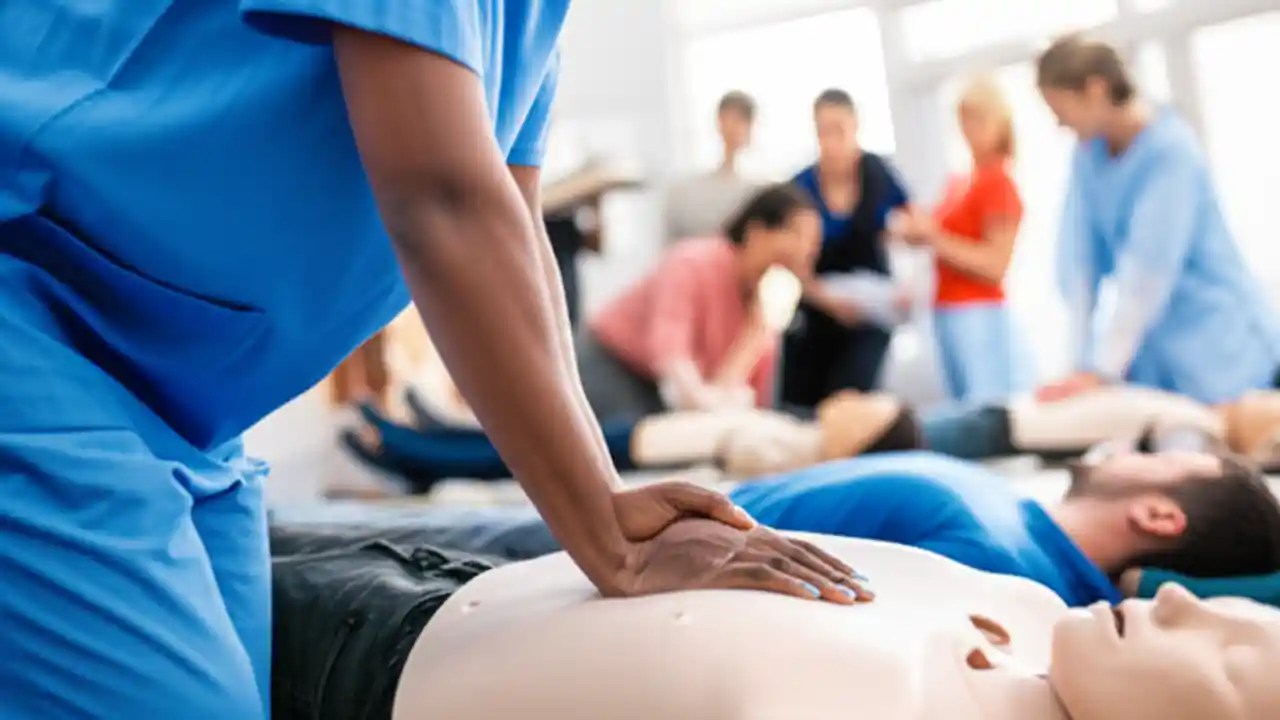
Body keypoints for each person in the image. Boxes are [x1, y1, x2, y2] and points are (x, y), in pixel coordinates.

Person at [0, 5, 856, 717]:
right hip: (36, 339)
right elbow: (440, 197)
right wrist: (604, 528)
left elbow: (514, 235)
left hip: (186, 409)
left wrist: (607, 493)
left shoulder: (532, 28)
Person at [268, 520, 1280, 719]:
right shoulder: (1026, 607)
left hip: (349, 678)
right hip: (448, 575)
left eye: (1228, 655)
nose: (1178, 598)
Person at [343, 385, 1280, 490]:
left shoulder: (1196, 433)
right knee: (635, 431)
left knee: (623, 439)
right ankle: (437, 441)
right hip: (962, 424)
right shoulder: (1190, 412)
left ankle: (427, 454)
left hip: (958, 433)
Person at [1035, 35, 1280, 406]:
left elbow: (1146, 276)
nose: (1058, 124)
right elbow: (1079, 268)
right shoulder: (1089, 157)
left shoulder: (1171, 151)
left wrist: (1101, 371)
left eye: (1060, 110)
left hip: (1219, 341)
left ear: (1095, 90)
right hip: (1156, 350)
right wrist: (1079, 368)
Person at [581, 184, 820, 420]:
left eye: (813, 243)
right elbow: (672, 358)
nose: (805, 249)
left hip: (662, 386)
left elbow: (746, 398)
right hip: (611, 361)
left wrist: (755, 334)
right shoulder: (692, 262)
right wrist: (706, 406)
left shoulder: (765, 308)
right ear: (755, 233)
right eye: (796, 234)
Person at [893, 76, 1028, 403]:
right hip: (947, 310)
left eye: (978, 119)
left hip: (978, 311)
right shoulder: (961, 182)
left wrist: (935, 238)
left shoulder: (999, 183)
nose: (969, 129)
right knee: (962, 403)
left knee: (984, 407)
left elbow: (995, 265)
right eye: (964, 120)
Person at [784, 89, 912, 407]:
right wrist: (825, 300)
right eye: (822, 132)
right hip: (817, 312)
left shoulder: (878, 174)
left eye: (838, 130)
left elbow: (915, 227)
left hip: (870, 315)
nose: (830, 142)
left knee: (850, 399)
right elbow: (787, 261)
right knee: (803, 402)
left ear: (855, 126)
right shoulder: (800, 187)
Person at [664, 91, 762, 243]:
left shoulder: (759, 190)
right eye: (729, 119)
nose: (734, 128)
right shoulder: (685, 191)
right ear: (719, 122)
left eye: (741, 120)